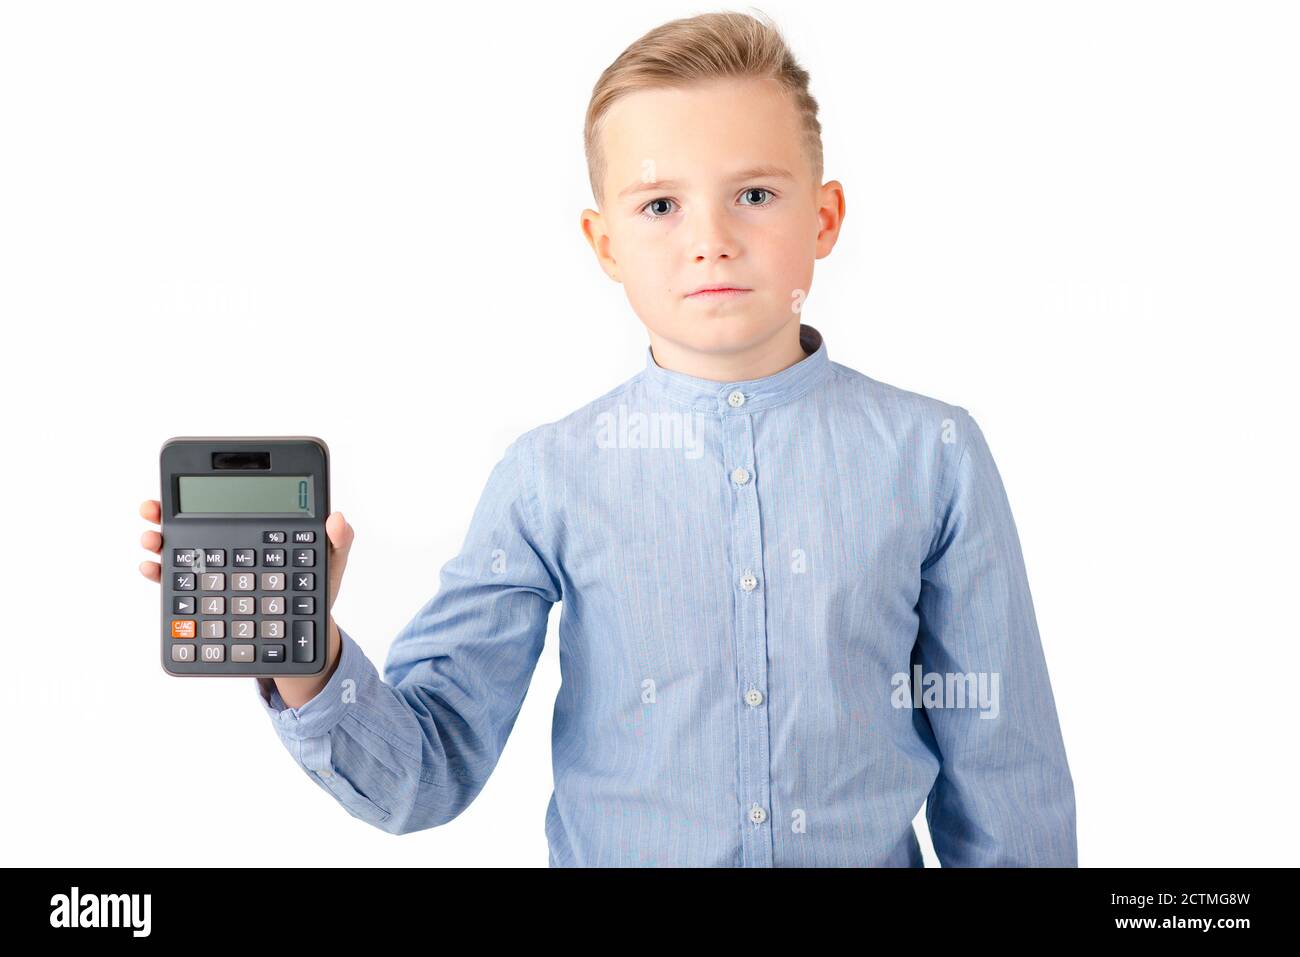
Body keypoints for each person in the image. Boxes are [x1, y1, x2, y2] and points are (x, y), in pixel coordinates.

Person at [138, 10, 1076, 867]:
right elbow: (427, 769)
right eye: (659, 205)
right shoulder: (548, 477)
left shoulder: (934, 454)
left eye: (754, 193)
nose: (709, 239)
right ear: (604, 242)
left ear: (823, 217)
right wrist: (307, 658)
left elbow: (1006, 777)